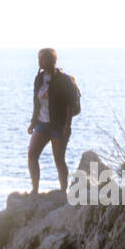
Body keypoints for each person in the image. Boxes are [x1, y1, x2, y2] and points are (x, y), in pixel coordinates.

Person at [27, 48, 76, 194]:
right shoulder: (39, 78)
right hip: (41, 124)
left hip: (59, 125)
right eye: (38, 58)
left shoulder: (63, 79)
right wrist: (32, 122)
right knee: (32, 155)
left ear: (51, 60)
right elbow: (37, 103)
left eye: (42, 58)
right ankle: (34, 190)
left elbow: (70, 104)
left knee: (59, 159)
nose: (39, 61)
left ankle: (62, 191)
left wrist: (67, 125)